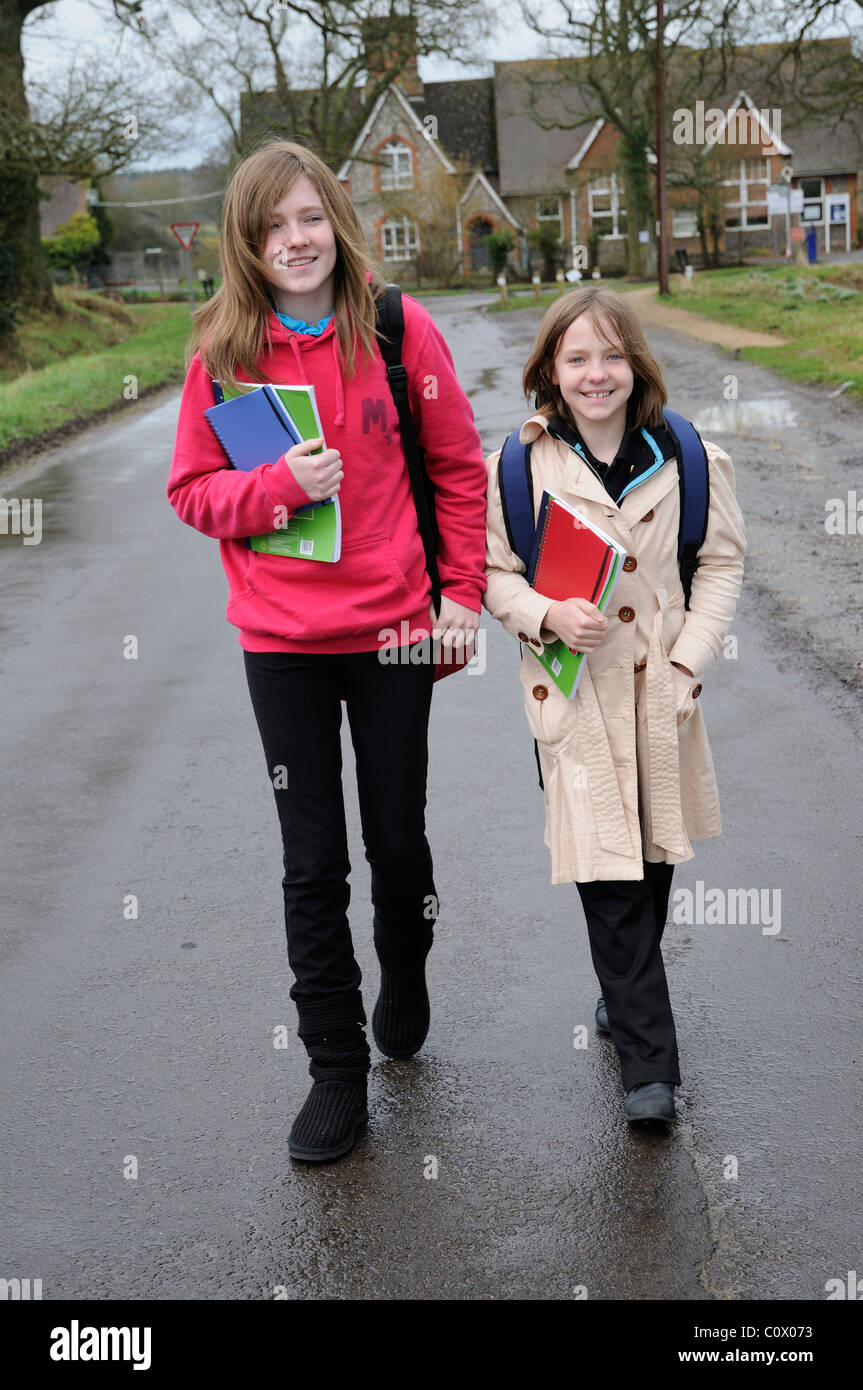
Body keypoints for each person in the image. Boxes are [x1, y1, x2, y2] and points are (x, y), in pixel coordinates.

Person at [167, 140, 487, 1162]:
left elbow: (456, 471)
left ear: (336, 225)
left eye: (309, 218)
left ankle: (407, 962)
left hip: (394, 631)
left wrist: (463, 597)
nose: (293, 241)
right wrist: (274, 490)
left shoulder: (397, 330)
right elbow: (189, 490)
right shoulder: (221, 354)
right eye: (272, 228)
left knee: (394, 839)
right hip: (282, 643)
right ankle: (333, 1070)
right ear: (248, 246)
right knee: (311, 864)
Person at [483, 286, 745, 1125]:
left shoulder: (689, 454)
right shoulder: (520, 468)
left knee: (654, 858)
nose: (596, 374)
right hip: (572, 698)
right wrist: (544, 614)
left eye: (610, 355)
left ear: (635, 364)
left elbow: (721, 566)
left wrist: (687, 662)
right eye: (575, 358)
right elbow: (493, 576)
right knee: (609, 872)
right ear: (550, 373)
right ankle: (649, 1071)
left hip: (660, 694)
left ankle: (621, 991)